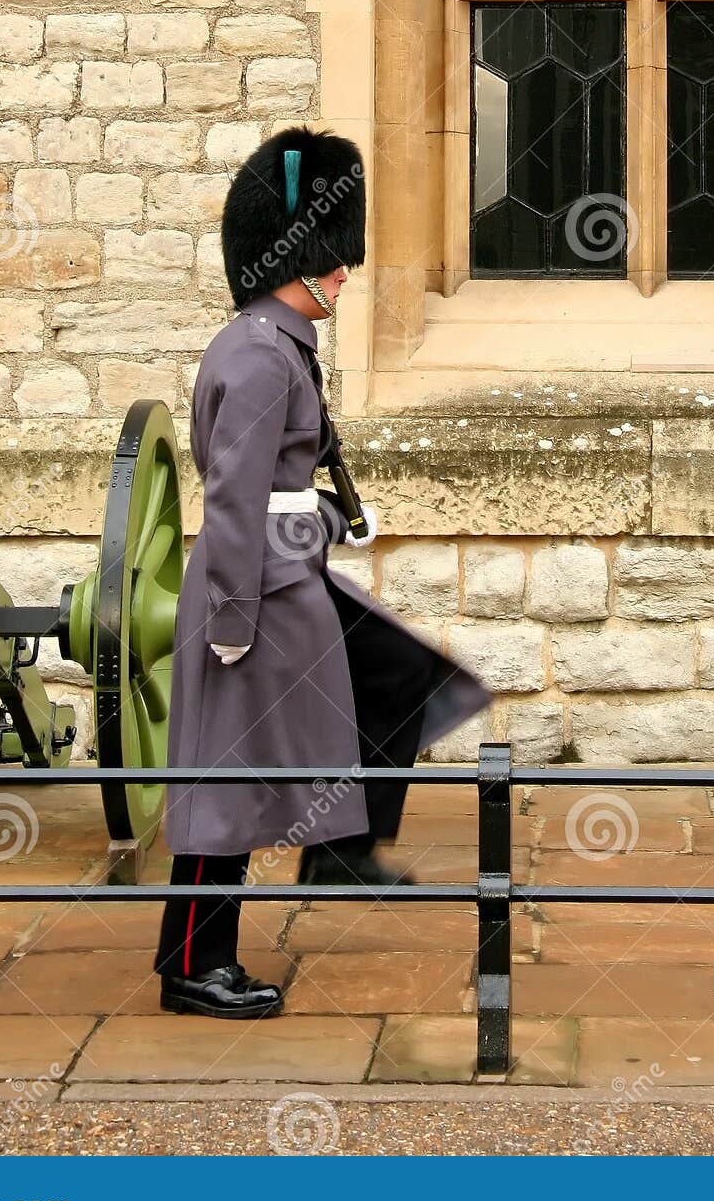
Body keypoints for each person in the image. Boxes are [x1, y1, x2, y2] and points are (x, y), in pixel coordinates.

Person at [153, 125, 490, 1018]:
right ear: (294, 256)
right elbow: (234, 499)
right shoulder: (260, 355)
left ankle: (340, 843)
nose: (344, 274)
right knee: (222, 786)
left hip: (283, 578)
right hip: (255, 593)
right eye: (332, 260)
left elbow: (276, 489)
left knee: (400, 673)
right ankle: (192, 965)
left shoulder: (274, 344)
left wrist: (330, 515)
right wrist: (232, 620)